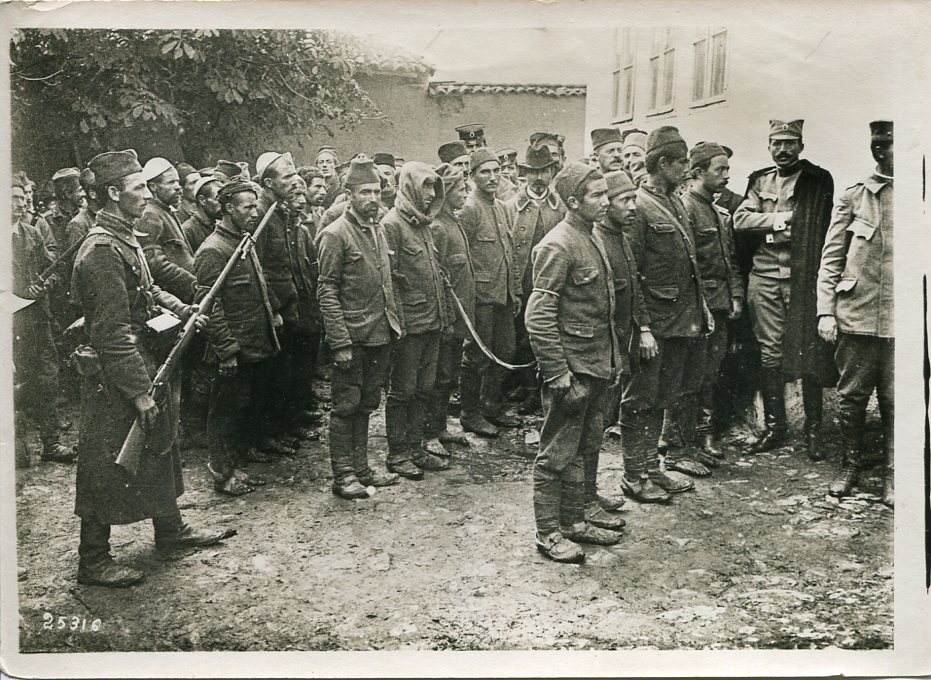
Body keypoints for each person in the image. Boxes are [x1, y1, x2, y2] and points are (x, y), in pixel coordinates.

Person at [70, 149, 230, 588]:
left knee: (159, 444)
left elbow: (148, 289)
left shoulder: (125, 236)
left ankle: (171, 530)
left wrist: (184, 309)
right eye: (138, 187)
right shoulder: (101, 249)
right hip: (116, 374)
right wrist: (139, 392)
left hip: (142, 360)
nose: (145, 194)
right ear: (111, 193)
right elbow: (112, 332)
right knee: (108, 461)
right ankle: (93, 559)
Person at [525, 161, 625, 563]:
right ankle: (548, 533)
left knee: (584, 447)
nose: (605, 202)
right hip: (572, 370)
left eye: (605, 194)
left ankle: (574, 521)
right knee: (556, 454)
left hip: (595, 364)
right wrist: (557, 373)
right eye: (597, 195)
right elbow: (538, 316)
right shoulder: (557, 244)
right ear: (572, 201)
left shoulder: (590, 235)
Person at [734, 120, 836, 459]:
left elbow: (819, 226)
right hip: (764, 277)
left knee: (809, 350)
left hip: (801, 278)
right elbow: (741, 220)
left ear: (801, 146)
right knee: (769, 352)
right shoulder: (759, 180)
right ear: (769, 145)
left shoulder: (816, 180)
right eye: (776, 143)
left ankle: (814, 430)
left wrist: (778, 222)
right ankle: (775, 427)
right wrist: (781, 220)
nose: (783, 150)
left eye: (790, 143)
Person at [622, 126, 711, 494]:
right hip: (653, 323)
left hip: (677, 320)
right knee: (640, 398)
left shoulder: (676, 200)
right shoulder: (639, 207)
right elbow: (631, 274)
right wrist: (641, 327)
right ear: (662, 164)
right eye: (681, 165)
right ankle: (633, 476)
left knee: (663, 396)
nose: (687, 172)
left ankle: (651, 468)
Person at [817, 121, 894, 504]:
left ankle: (893, 475)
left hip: (902, 320)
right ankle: (850, 465)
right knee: (852, 395)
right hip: (857, 314)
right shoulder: (854, 196)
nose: (882, 150)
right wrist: (825, 311)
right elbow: (831, 258)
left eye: (890, 142)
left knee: (899, 398)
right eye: (877, 143)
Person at [316, 158, 402, 499]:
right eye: (364, 191)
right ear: (348, 195)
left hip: (380, 334)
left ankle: (362, 468)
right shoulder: (335, 234)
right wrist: (339, 342)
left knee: (367, 403)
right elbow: (326, 291)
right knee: (346, 405)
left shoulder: (377, 228)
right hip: (352, 337)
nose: (372, 198)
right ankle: (344, 474)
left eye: (377, 191)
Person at [195, 179, 280, 496]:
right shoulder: (213, 251)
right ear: (228, 209)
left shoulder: (243, 242)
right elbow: (210, 306)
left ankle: (237, 468)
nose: (255, 212)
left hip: (254, 343)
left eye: (256, 206)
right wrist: (227, 351)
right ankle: (222, 472)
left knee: (243, 408)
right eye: (247, 207)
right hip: (234, 349)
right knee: (225, 413)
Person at [594, 171, 666, 503]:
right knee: (597, 421)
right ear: (604, 204)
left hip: (629, 340)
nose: (634, 206)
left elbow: (635, 291)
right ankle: (601, 490)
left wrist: (646, 329)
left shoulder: (620, 237)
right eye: (625, 200)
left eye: (635, 198)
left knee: (644, 401)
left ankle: (643, 471)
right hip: (605, 348)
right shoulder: (597, 239)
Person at [383, 162, 452, 478]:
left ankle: (415, 447)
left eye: (433, 188)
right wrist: (399, 325)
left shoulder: (424, 224)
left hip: (433, 322)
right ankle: (398, 454)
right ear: (409, 186)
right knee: (403, 391)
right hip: (409, 326)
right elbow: (389, 281)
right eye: (425, 187)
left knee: (425, 387)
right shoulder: (392, 225)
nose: (430, 194)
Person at [680, 142, 744, 460]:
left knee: (710, 374)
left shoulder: (719, 211)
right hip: (698, 309)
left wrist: (736, 296)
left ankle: (698, 437)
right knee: (694, 377)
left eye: (727, 169)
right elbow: (686, 266)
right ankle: (688, 440)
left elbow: (729, 259)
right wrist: (700, 305)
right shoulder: (686, 209)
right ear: (697, 172)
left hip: (719, 307)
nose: (727, 175)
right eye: (720, 169)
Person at [254, 151, 316, 455]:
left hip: (293, 304)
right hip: (274, 310)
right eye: (287, 177)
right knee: (273, 376)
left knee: (290, 370)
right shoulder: (261, 215)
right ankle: (268, 433)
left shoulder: (283, 210)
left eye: (295, 175)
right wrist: (274, 308)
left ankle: (289, 423)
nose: (296, 181)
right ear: (269, 182)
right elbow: (258, 267)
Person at [11, 177, 75, 464]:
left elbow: (54, 271)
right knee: (14, 381)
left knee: (47, 378)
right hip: (9, 323)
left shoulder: (31, 233)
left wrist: (43, 285)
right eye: (13, 197)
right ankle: (15, 438)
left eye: (23, 197)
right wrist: (16, 292)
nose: (21, 202)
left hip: (37, 319)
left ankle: (51, 442)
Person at [458, 148, 522, 436]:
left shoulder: (501, 206)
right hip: (481, 298)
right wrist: (469, 299)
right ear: (472, 177)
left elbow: (510, 253)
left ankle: (490, 405)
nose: (493, 177)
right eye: (485, 172)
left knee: (506, 351)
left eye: (497, 171)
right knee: (477, 356)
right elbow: (462, 257)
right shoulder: (470, 209)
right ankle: (470, 413)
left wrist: (516, 291)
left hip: (504, 295)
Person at [505, 145, 565, 414]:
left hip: (553, 283)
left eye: (544, 171)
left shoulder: (561, 207)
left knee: (551, 336)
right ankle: (529, 389)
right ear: (524, 175)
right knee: (523, 338)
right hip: (523, 283)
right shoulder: (510, 208)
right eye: (533, 173)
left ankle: (549, 389)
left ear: (552, 172)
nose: (539, 178)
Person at [423, 163, 474, 456]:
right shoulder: (438, 227)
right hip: (445, 318)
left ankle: (440, 426)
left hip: (459, 318)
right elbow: (438, 278)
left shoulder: (454, 222)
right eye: (460, 189)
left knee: (449, 374)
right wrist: (445, 318)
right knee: (438, 376)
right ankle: (429, 431)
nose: (464, 194)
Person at [138, 157, 197, 303]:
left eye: (177, 181)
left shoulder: (165, 210)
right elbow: (155, 264)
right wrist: (193, 285)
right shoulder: (150, 214)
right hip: (178, 297)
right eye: (171, 182)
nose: (178, 187)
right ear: (153, 187)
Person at [181, 175, 223, 254]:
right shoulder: (187, 231)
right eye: (217, 199)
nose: (222, 204)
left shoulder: (218, 225)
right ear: (202, 200)